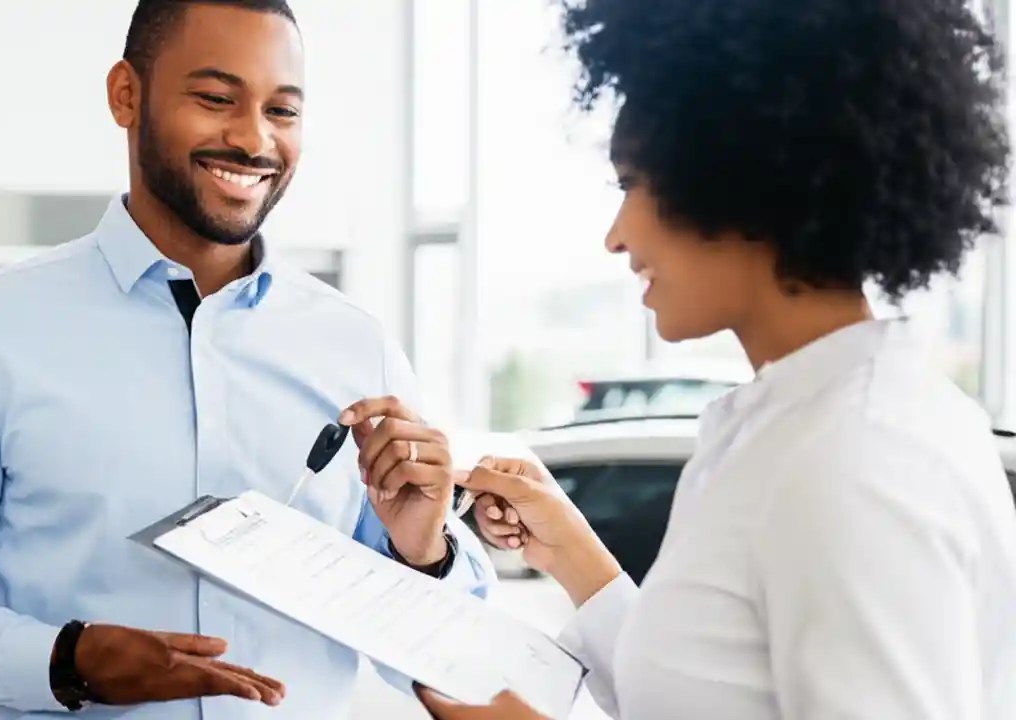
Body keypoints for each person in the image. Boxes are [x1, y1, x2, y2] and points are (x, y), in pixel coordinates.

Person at [0, 1, 493, 718]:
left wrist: (424, 554)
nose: (253, 139)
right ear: (127, 94)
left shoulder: (358, 348)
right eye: (215, 99)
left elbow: (454, 670)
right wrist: (65, 658)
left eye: (282, 111)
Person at [416, 0, 1016, 718]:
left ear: (741, 179)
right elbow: (706, 692)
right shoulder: (809, 423)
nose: (616, 235)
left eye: (632, 185)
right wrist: (569, 550)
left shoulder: (854, 461)